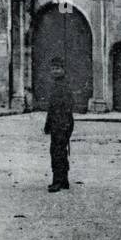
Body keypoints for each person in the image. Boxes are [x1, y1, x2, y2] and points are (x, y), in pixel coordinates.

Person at [44, 59, 75, 192]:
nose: (55, 71)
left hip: (62, 123)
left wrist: (63, 125)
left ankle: (58, 181)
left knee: (57, 152)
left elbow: (68, 106)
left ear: (64, 70)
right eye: (53, 68)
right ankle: (64, 180)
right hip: (57, 123)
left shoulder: (64, 86)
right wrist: (48, 124)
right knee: (59, 151)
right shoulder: (55, 85)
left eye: (58, 68)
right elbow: (51, 107)